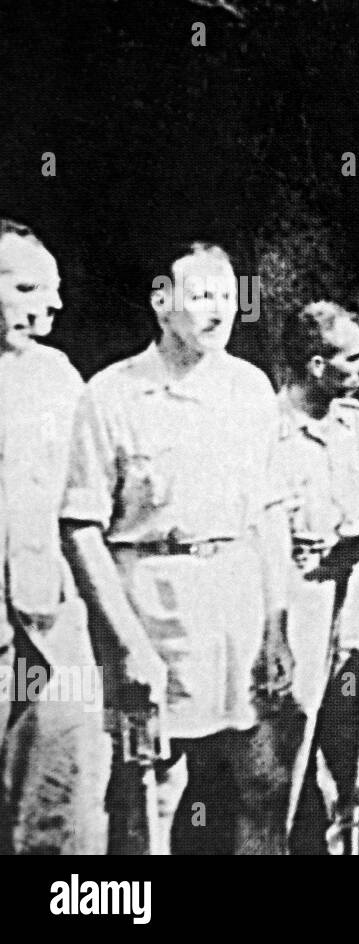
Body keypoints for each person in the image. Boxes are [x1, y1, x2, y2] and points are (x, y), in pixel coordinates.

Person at [61, 241, 295, 854]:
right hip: (154, 602)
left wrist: (276, 624)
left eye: (226, 296)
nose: (217, 311)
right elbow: (81, 526)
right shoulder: (111, 394)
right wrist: (128, 642)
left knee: (261, 774)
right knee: (152, 783)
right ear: (163, 304)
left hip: (239, 600)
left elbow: (269, 513)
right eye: (199, 296)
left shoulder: (251, 389)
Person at [0, 219, 111, 853]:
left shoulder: (60, 378)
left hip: (53, 625)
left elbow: (86, 500)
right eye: (26, 288)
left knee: (59, 801)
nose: (52, 305)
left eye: (54, 289)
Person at [275, 300, 359, 853]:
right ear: (317, 366)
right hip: (295, 603)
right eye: (355, 359)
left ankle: (340, 846)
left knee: (349, 742)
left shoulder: (352, 421)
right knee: (286, 750)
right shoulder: (271, 428)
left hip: (351, 608)